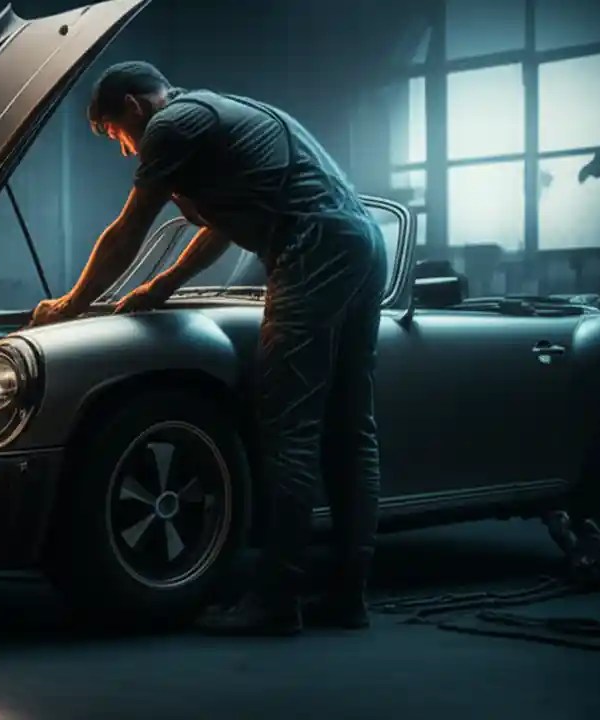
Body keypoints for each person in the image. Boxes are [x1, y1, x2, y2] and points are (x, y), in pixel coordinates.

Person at [29, 61, 387, 636]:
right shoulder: (217, 112)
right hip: (359, 243)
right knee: (349, 429)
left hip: (312, 247)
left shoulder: (170, 124)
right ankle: (349, 598)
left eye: (115, 135)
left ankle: (276, 601)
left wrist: (69, 305)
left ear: (133, 108)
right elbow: (219, 227)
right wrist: (161, 286)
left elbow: (128, 229)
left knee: (289, 430)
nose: (125, 151)